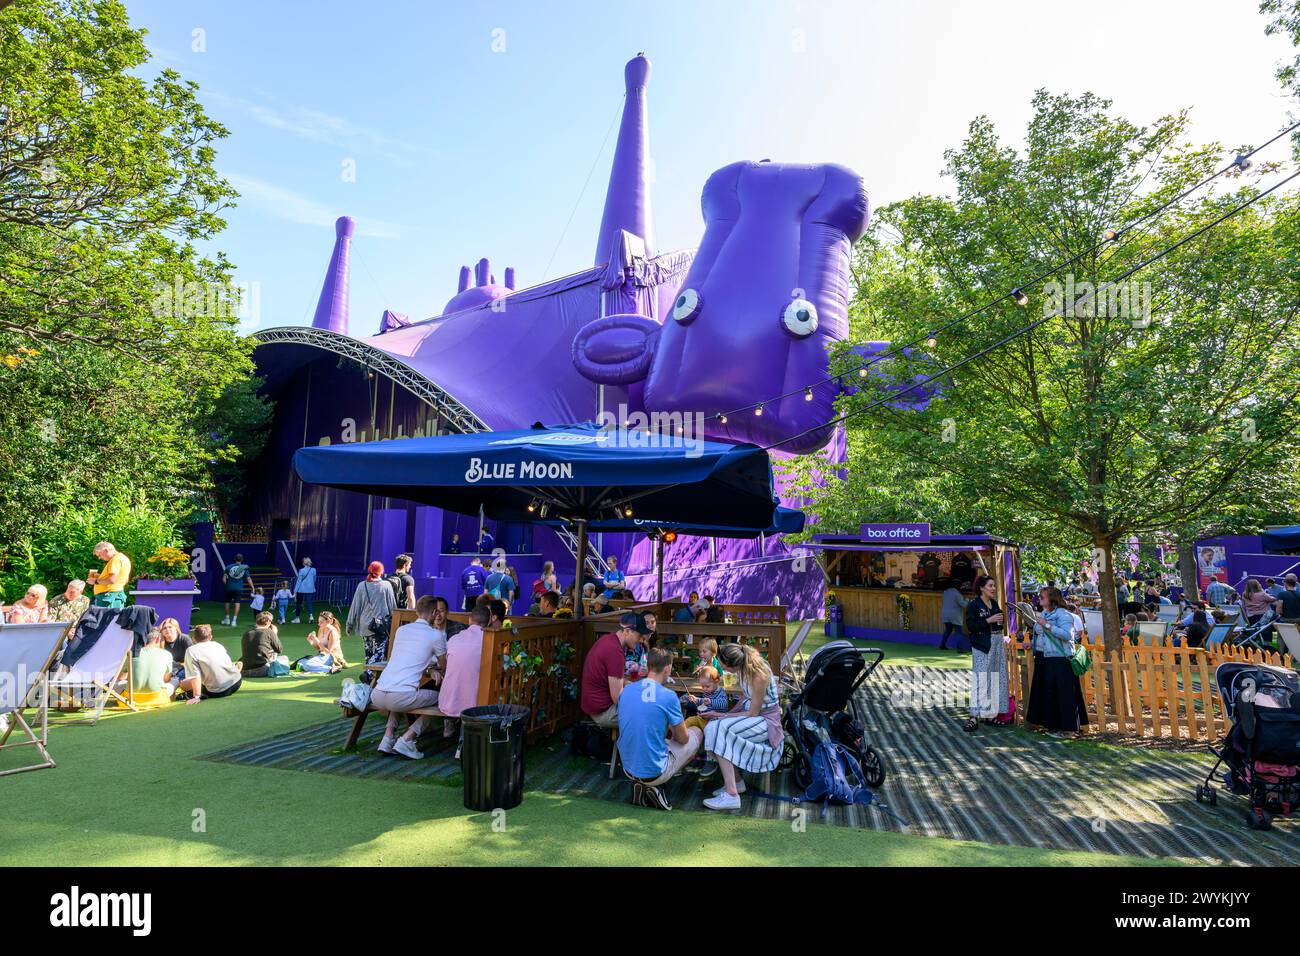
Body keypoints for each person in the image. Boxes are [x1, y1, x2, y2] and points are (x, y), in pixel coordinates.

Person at [617, 647, 703, 810]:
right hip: (655, 772)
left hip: (627, 767)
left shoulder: (626, 690)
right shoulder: (669, 696)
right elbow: (683, 739)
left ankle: (642, 785)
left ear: (648, 666)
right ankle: (654, 786)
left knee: (653, 737)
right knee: (696, 733)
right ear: (667, 669)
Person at [701, 642, 783, 811]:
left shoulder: (759, 675)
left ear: (733, 664)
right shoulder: (743, 668)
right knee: (712, 727)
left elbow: (753, 713)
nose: (722, 668)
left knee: (718, 729)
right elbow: (746, 699)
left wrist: (721, 715)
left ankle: (731, 796)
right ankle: (736, 783)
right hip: (753, 716)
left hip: (766, 721)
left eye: (723, 665)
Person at [374, 595, 449, 760]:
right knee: (444, 699)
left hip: (378, 694)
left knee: (399, 693)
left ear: (417, 611)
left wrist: (428, 670)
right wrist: (432, 670)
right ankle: (408, 738)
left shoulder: (401, 631)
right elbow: (446, 667)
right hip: (401, 697)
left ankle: (388, 737)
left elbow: (409, 658)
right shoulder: (435, 635)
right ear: (434, 612)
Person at [1027, 587, 1087, 734]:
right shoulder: (1044, 613)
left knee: (1065, 694)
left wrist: (1047, 625)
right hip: (1045, 657)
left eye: (1042, 597)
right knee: (1049, 693)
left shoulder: (1064, 615)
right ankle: (1052, 726)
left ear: (1052, 599)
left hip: (1060, 659)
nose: (1039, 599)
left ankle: (1068, 729)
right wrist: (1032, 643)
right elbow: (1040, 634)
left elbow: (1067, 635)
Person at [580, 612, 646, 729]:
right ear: (627, 631)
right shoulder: (615, 652)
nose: (642, 640)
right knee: (652, 712)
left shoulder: (608, 639)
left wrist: (630, 685)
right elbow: (619, 699)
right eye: (639, 635)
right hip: (603, 713)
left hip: (596, 707)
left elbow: (610, 679)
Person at [962, 574, 1008, 732]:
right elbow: (971, 626)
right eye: (990, 586)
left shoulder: (994, 603)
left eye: (994, 586)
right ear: (981, 588)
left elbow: (1000, 621)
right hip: (982, 646)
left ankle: (990, 715)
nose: (993, 588)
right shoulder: (974, 605)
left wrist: (1000, 621)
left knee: (995, 677)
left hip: (996, 643)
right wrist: (989, 620)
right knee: (981, 678)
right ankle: (973, 717)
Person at [438, 602, 490, 738]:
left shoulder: (454, 639)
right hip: (476, 702)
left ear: (470, 620)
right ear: (489, 621)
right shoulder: (489, 641)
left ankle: (450, 726)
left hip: (448, 701)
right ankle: (464, 740)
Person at [178, 624, 241, 704]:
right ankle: (236, 668)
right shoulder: (217, 645)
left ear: (193, 638)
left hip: (218, 691)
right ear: (210, 637)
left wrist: (196, 697)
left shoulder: (191, 650)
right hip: (237, 683)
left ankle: (197, 693)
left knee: (183, 684)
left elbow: (194, 676)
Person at [346, 561, 397, 659]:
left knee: (368, 652)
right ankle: (370, 673)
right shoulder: (386, 585)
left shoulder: (362, 585)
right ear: (381, 572)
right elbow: (392, 606)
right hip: (381, 625)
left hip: (365, 625)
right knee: (379, 653)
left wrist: (349, 624)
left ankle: (368, 671)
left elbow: (355, 606)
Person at [133, 629, 178, 706]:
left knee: (117, 683)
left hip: (132, 696)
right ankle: (171, 698)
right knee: (175, 680)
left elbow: (121, 677)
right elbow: (166, 679)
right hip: (157, 696)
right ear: (157, 639)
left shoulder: (132, 653)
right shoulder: (167, 654)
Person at [240, 611, 284, 678]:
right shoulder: (269, 632)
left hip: (244, 670)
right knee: (283, 659)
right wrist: (274, 634)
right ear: (269, 622)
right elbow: (279, 649)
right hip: (262, 670)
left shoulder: (246, 633)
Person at [89, 541, 131, 609]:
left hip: (109, 597)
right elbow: (123, 579)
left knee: (106, 619)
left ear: (106, 550)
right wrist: (100, 577)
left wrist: (95, 581)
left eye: (99, 555)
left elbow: (112, 580)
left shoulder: (115, 560)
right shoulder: (123, 558)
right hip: (115, 595)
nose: (100, 558)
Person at [220, 553, 250, 627]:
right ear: (242, 559)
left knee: (227, 603)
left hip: (229, 588)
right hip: (239, 589)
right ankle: (234, 621)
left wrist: (227, 585)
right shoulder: (244, 568)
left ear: (235, 559)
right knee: (237, 603)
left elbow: (223, 579)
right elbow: (248, 579)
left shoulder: (228, 567)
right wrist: (252, 587)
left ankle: (227, 619)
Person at [159, 617, 191, 682]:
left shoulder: (184, 639)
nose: (167, 629)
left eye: (170, 627)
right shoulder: (159, 641)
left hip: (183, 668)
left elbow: (191, 659)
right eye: (164, 628)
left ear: (176, 629)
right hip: (167, 669)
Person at [939, 582, 968, 651]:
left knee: (948, 630)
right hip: (955, 615)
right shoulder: (957, 594)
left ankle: (942, 645)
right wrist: (967, 600)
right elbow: (963, 604)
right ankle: (960, 648)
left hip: (945, 614)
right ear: (958, 586)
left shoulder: (945, 592)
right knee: (958, 631)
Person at [291, 557, 316, 624]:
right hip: (310, 589)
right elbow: (314, 579)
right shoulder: (313, 570)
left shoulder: (301, 570)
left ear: (303, 563)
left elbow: (299, 581)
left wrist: (295, 590)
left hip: (301, 589)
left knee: (299, 603)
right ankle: (311, 617)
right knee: (309, 603)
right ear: (310, 562)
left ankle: (297, 618)